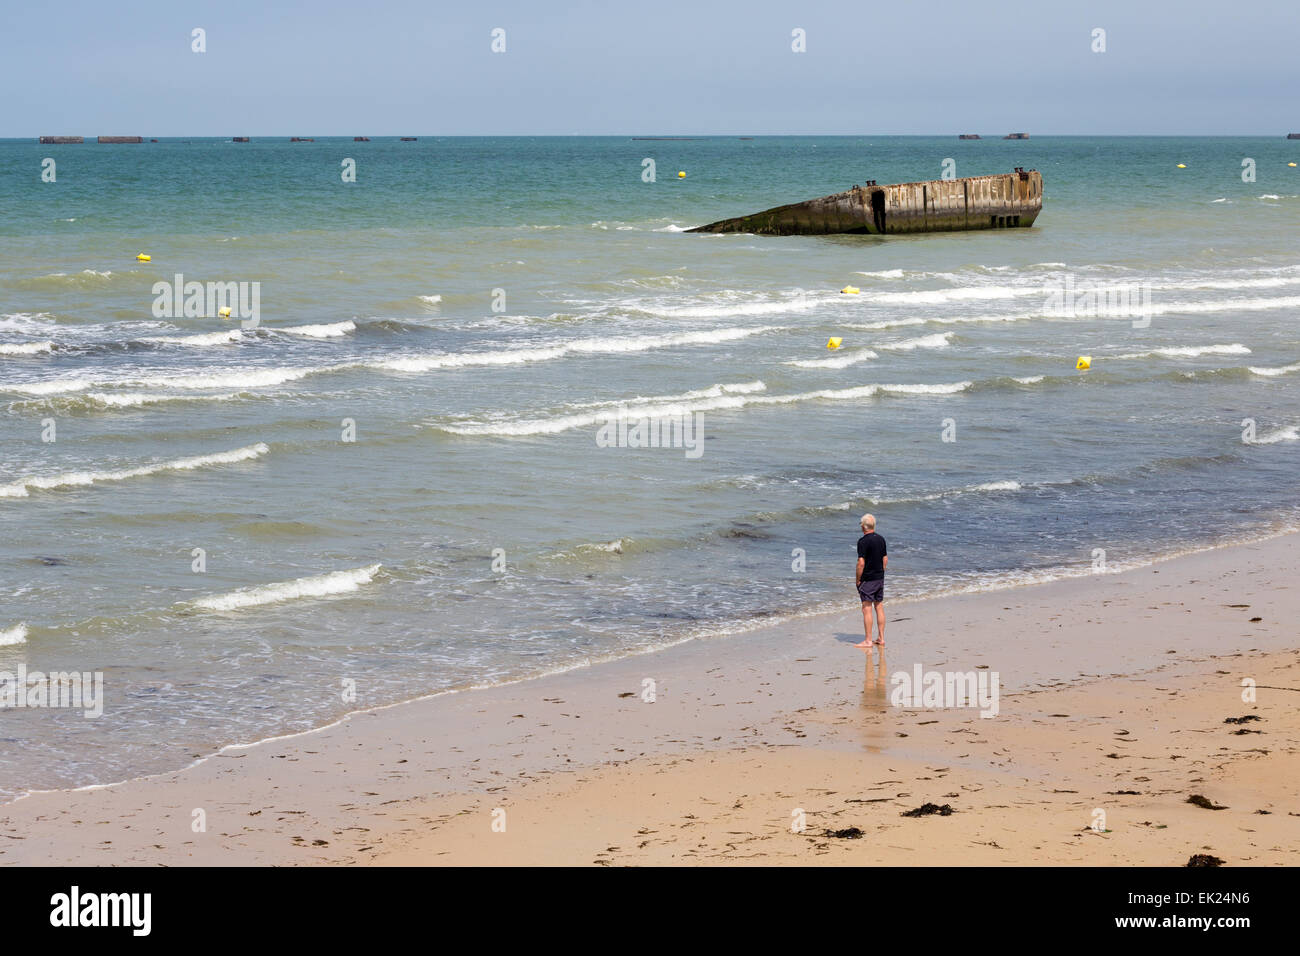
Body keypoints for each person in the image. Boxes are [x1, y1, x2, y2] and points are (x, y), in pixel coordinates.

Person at [853, 513, 887, 648]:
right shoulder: (881, 539)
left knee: (866, 608)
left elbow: (861, 563)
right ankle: (881, 638)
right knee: (879, 606)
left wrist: (858, 579)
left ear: (863, 527)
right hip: (879, 577)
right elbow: (885, 559)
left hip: (868, 579)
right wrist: (881, 572)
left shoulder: (863, 541)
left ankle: (868, 640)